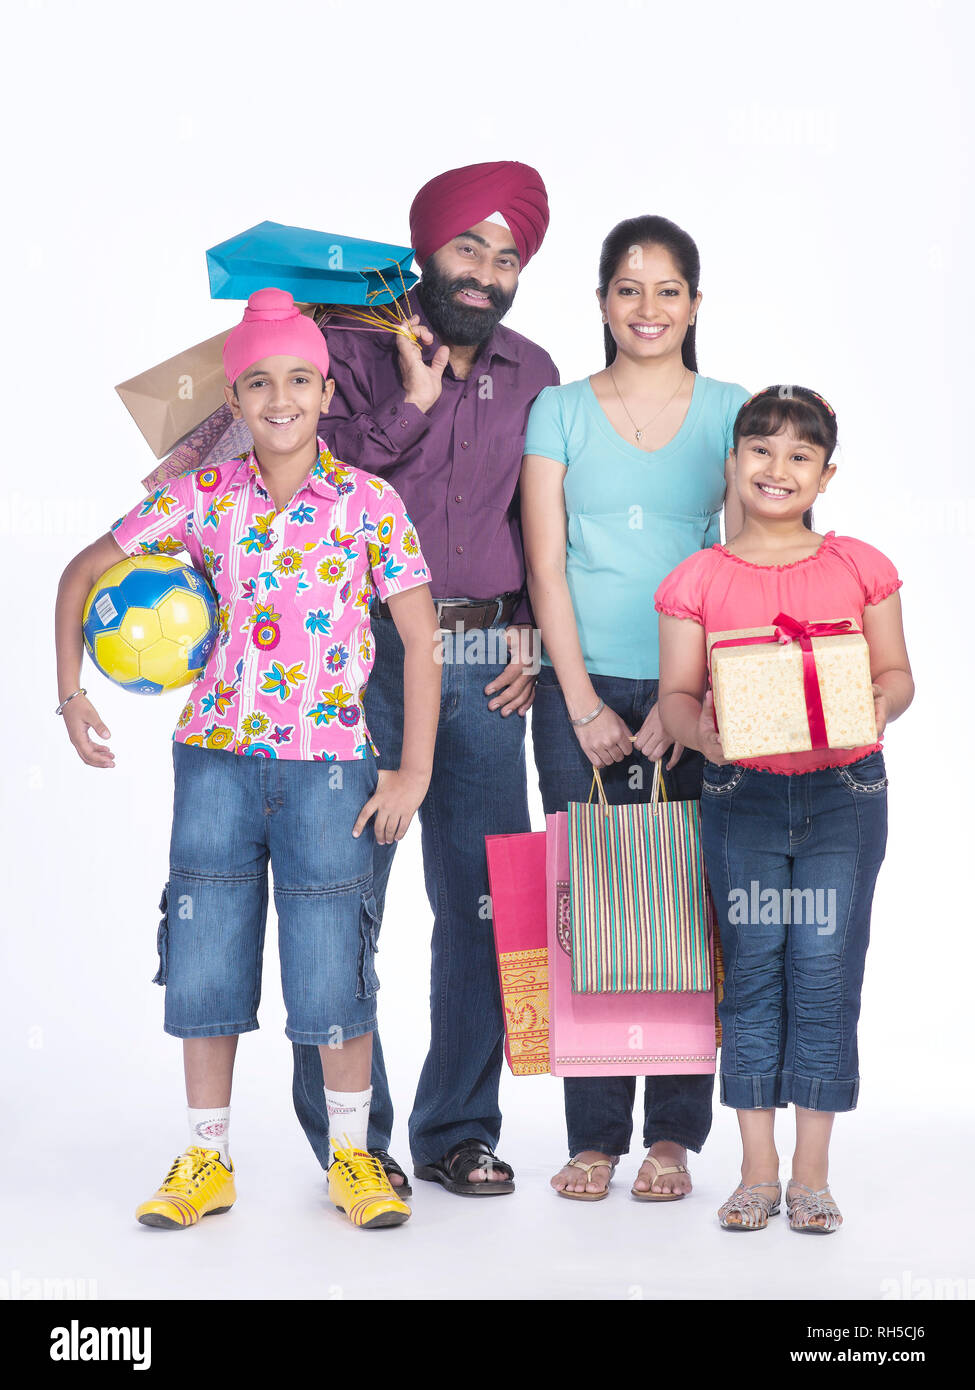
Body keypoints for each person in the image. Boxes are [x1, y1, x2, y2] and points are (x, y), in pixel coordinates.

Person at [54, 289, 441, 1230]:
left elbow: (420, 639)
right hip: (216, 767)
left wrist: (413, 771)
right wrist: (70, 695)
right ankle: (204, 1161)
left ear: (323, 392)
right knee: (206, 961)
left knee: (330, 966)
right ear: (232, 398)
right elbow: (78, 574)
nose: (280, 398)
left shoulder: (368, 504)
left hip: (331, 771)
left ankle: (352, 1158)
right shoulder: (196, 500)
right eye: (259, 381)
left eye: (299, 379)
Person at [520, 214, 749, 1201]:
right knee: (589, 911)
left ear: (696, 304)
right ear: (603, 301)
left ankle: (675, 1140)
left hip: (694, 694)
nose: (647, 308)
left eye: (667, 290)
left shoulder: (733, 410)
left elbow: (740, 570)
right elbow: (545, 563)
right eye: (627, 288)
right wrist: (579, 705)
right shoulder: (557, 409)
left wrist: (681, 696)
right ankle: (596, 1137)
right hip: (581, 691)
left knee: (686, 912)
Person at [655, 385, 913, 1232]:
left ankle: (811, 1175)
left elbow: (897, 676)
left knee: (826, 971)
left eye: (799, 455)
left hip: (844, 792)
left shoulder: (859, 566)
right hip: (743, 797)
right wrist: (711, 740)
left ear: (826, 474)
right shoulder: (697, 579)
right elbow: (680, 699)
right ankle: (755, 1171)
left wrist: (872, 705)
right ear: (731, 463)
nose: (777, 468)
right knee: (753, 971)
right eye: (759, 449)